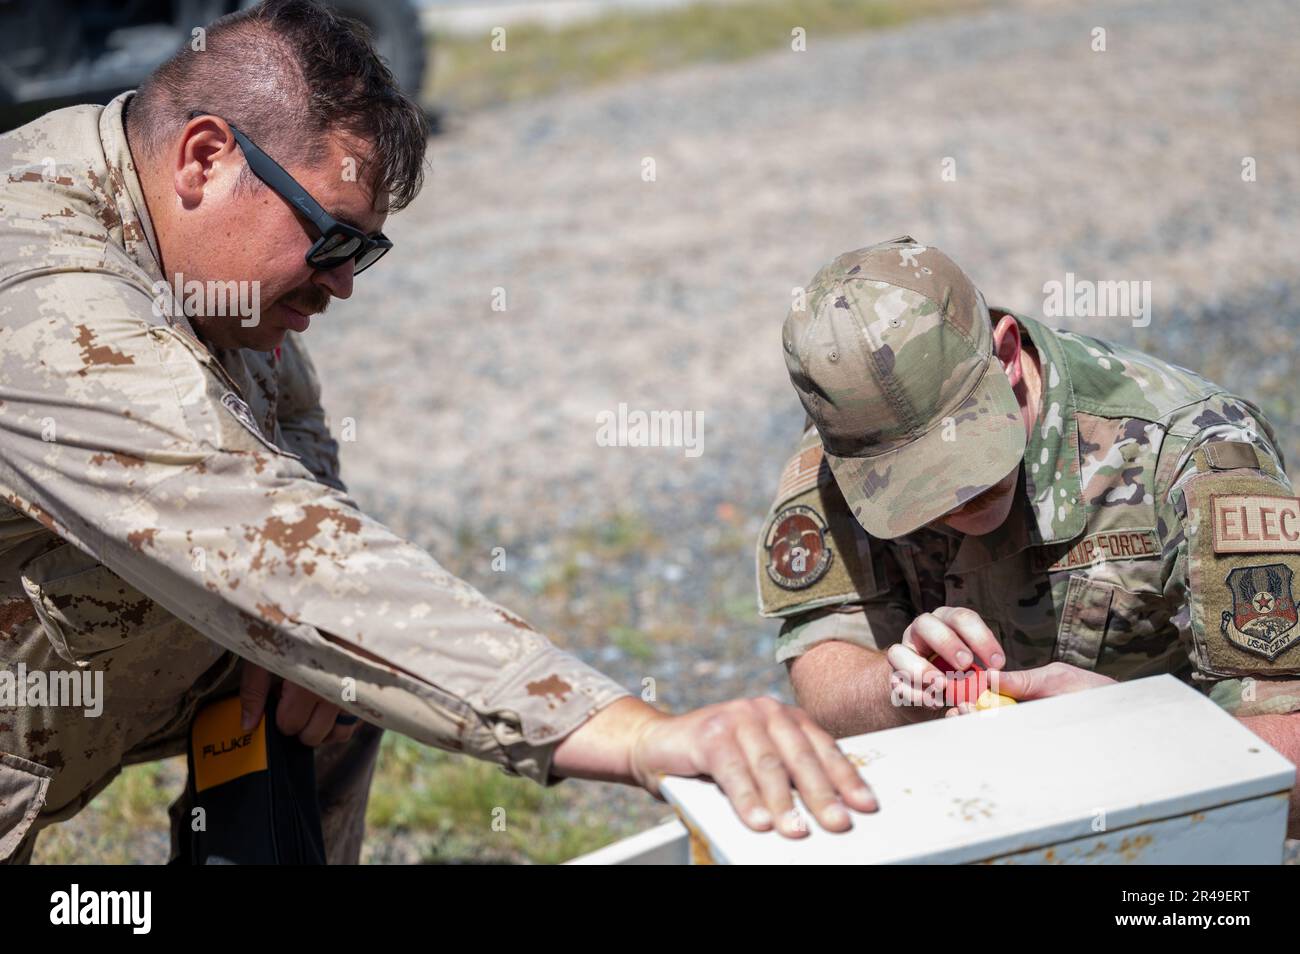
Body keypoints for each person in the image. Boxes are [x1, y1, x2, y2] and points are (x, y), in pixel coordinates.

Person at [0, 0, 875, 865]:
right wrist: (634, 736)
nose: (342, 286)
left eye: (364, 253)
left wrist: (282, 634)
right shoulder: (45, 296)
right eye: (334, 239)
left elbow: (293, 441)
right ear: (205, 158)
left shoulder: (184, 239)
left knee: (331, 678)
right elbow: (265, 536)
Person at [757, 235, 1300, 837]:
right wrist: (901, 687)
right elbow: (822, 664)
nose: (953, 497)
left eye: (963, 451)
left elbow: (1290, 752)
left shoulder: (1192, 452)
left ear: (1008, 355)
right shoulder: (854, 450)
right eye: (913, 482)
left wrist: (1130, 734)